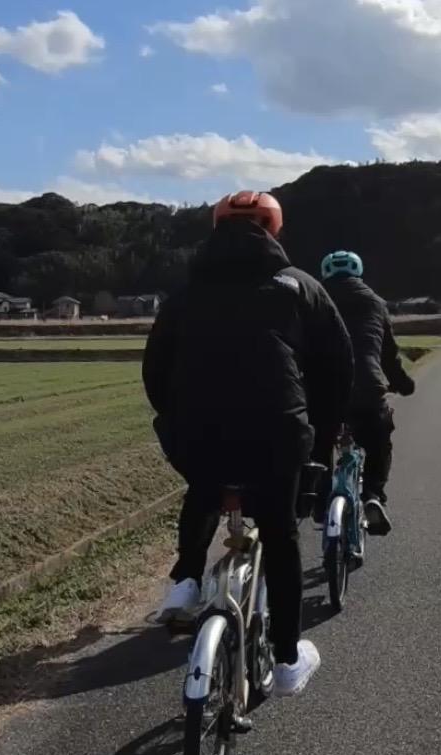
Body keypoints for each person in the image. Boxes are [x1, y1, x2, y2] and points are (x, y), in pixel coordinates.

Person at [142, 191, 353, 698]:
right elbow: (337, 368)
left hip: (193, 433)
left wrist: (175, 418)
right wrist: (320, 437)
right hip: (276, 432)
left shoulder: (185, 293)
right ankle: (285, 662)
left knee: (205, 483)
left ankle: (186, 580)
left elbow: (155, 371)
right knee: (279, 536)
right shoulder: (299, 286)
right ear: (274, 230)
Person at [314, 250, 415, 536]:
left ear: (325, 273)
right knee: (379, 443)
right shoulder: (375, 302)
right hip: (368, 389)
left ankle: (320, 502)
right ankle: (372, 495)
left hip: (324, 391)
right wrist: (404, 384)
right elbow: (388, 355)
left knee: (319, 445)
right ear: (359, 272)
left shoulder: (315, 299)